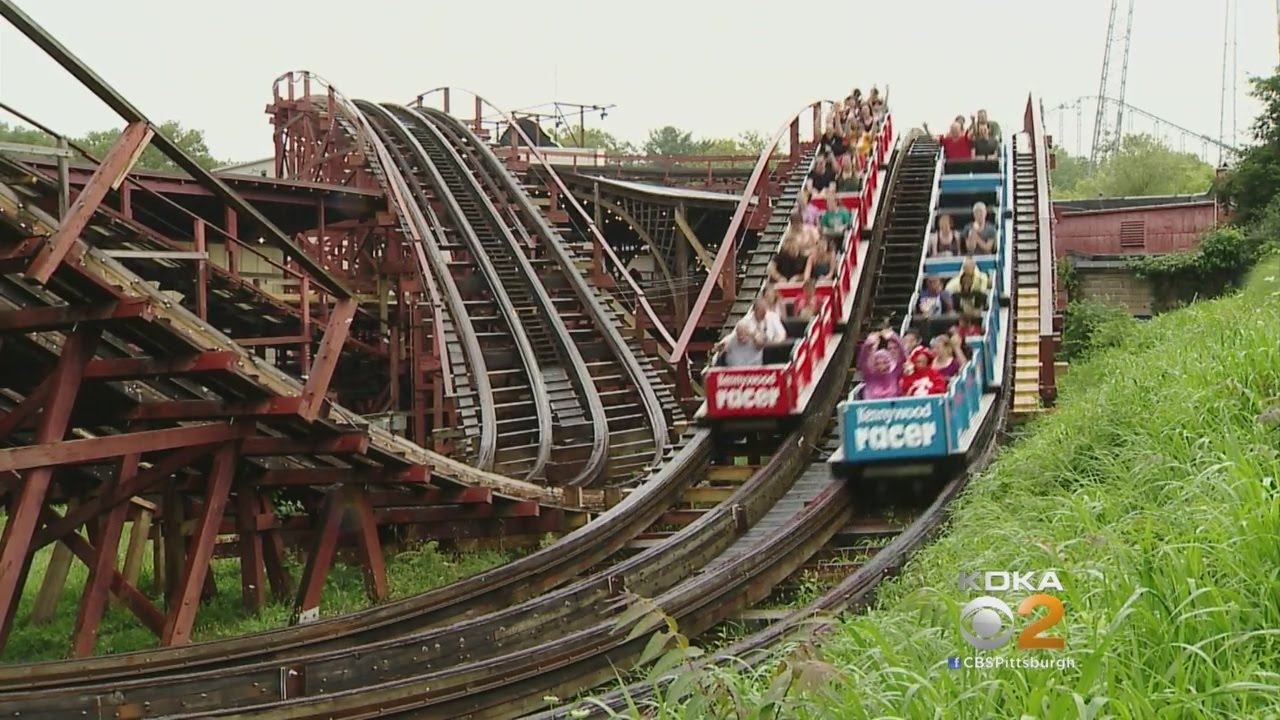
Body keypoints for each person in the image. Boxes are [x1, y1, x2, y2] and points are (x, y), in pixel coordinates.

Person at [858, 329, 904, 399]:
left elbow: (903, 355)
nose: (882, 366)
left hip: (892, 405)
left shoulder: (894, 373)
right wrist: (868, 344)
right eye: (877, 363)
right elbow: (863, 359)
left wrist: (893, 337)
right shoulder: (869, 375)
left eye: (885, 362)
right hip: (871, 405)